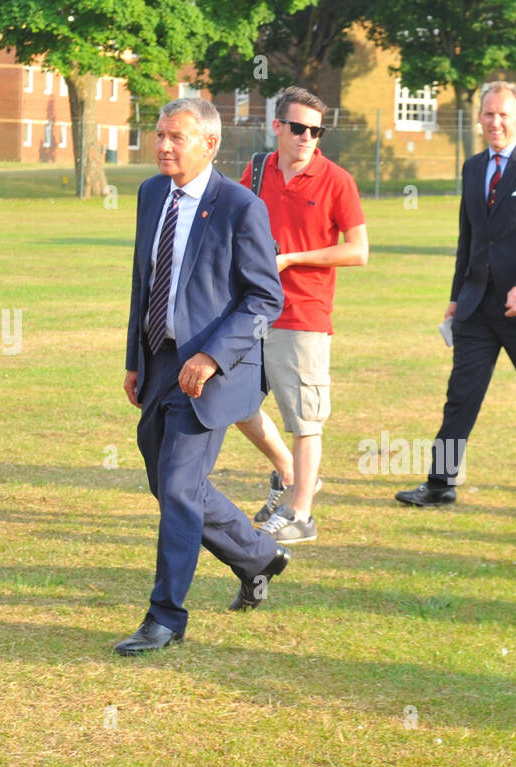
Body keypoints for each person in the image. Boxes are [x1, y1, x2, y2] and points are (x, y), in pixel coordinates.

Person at [115, 97, 290, 656]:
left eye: (177, 138)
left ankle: (165, 617)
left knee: (180, 490)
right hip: (160, 363)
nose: (163, 146)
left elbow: (267, 297)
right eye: (160, 135)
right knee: (166, 484)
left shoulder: (240, 206)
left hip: (213, 371)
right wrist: (134, 359)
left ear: (210, 144)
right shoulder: (149, 194)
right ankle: (258, 556)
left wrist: (212, 355)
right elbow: (144, 283)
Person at [395, 81, 516, 506]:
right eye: (488, 114)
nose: (495, 121)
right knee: (461, 393)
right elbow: (469, 238)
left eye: (503, 114)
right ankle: (440, 484)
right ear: (479, 118)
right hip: (477, 305)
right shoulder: (474, 167)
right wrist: (457, 296)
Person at [235, 85, 368, 545]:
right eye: (298, 128)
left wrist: (293, 259)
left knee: (305, 420)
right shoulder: (255, 170)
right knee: (235, 401)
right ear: (277, 127)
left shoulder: (337, 180)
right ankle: (290, 473)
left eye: (316, 130)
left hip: (304, 315)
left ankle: (301, 514)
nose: (308, 137)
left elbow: (358, 251)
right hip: (251, 309)